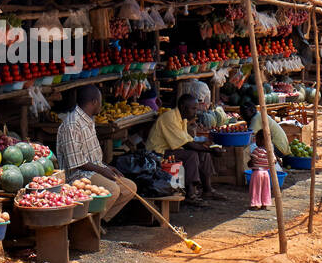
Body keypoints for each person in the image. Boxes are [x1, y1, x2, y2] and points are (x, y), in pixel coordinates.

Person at [54, 85, 137, 223]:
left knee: (130, 188)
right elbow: (78, 163)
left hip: (94, 171)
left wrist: (107, 167)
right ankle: (88, 225)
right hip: (78, 176)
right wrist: (102, 170)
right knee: (113, 190)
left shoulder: (88, 120)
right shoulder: (72, 124)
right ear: (94, 102)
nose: (101, 105)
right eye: (100, 101)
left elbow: (92, 158)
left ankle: (100, 222)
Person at [148, 93, 220, 206]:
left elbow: (187, 140)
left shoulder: (182, 119)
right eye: (193, 108)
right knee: (191, 155)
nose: (195, 112)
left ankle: (208, 190)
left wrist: (207, 147)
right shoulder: (169, 118)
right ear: (182, 107)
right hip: (157, 154)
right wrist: (211, 150)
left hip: (171, 149)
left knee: (203, 153)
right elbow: (187, 145)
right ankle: (190, 195)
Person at [248, 141, 273, 209]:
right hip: (266, 173)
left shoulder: (257, 150)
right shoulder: (270, 152)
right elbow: (274, 161)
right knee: (265, 189)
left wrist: (249, 163)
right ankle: (264, 204)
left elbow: (252, 161)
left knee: (256, 189)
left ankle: (255, 205)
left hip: (257, 172)